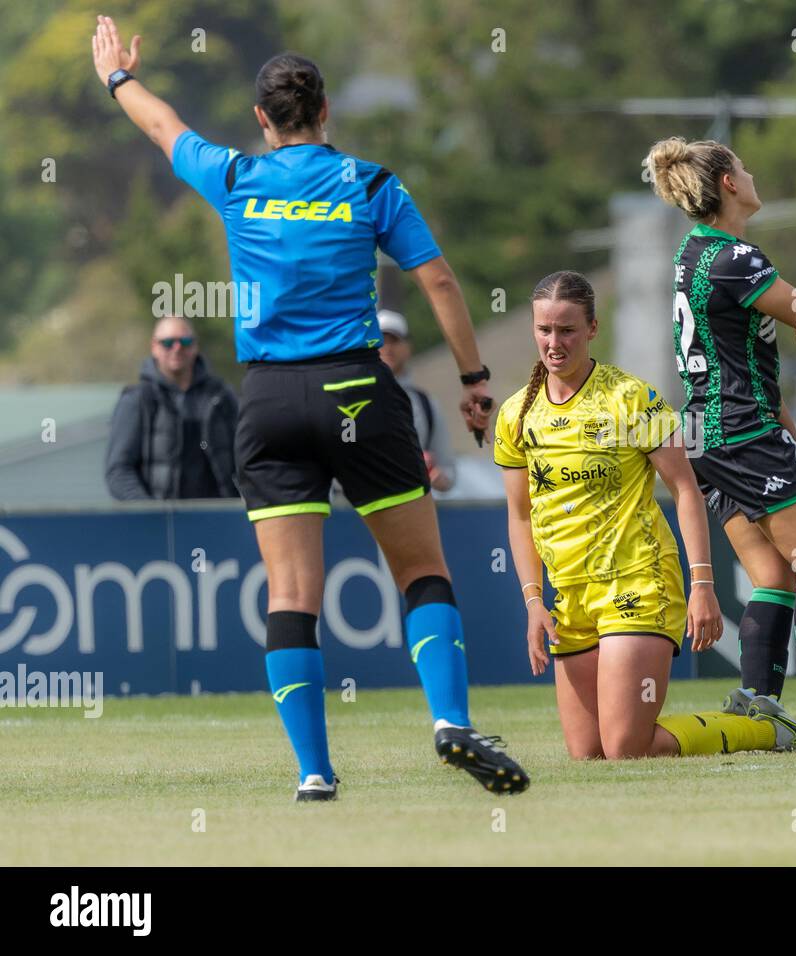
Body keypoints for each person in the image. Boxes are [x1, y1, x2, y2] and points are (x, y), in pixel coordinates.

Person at [92, 16, 528, 798]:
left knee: (292, 597)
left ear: (262, 120)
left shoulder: (234, 177)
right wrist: (472, 378)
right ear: (325, 110)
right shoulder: (367, 183)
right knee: (422, 571)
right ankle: (451, 721)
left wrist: (120, 78)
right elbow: (439, 282)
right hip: (355, 387)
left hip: (266, 399)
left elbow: (165, 129)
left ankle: (315, 774)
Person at [496, 271, 796, 757]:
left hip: (638, 584)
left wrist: (702, 584)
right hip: (570, 596)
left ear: (592, 330)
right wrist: (533, 601)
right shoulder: (516, 414)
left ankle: (764, 729)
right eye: (545, 330)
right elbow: (520, 516)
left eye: (567, 330)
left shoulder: (631, 398)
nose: (554, 342)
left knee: (626, 747)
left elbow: (685, 488)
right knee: (588, 754)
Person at [645, 136, 796, 747]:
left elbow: (745, 351)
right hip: (743, 432)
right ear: (726, 184)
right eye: (743, 168)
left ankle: (761, 707)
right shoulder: (732, 257)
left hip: (709, 435)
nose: (752, 173)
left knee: (774, 576)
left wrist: (785, 424)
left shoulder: (694, 253)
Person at [105, 315, 240, 500]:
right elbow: (119, 471)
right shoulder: (136, 400)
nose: (177, 348)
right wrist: (150, 515)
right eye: (168, 342)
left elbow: (245, 460)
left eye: (185, 341)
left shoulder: (220, 397)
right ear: (154, 347)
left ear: (195, 346)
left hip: (217, 520)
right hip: (158, 523)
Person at [377, 309, 457, 492]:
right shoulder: (351, 396)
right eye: (382, 340)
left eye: (394, 340)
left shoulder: (426, 404)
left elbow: (448, 473)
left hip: (412, 508)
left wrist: (437, 476)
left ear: (407, 347)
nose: (388, 347)